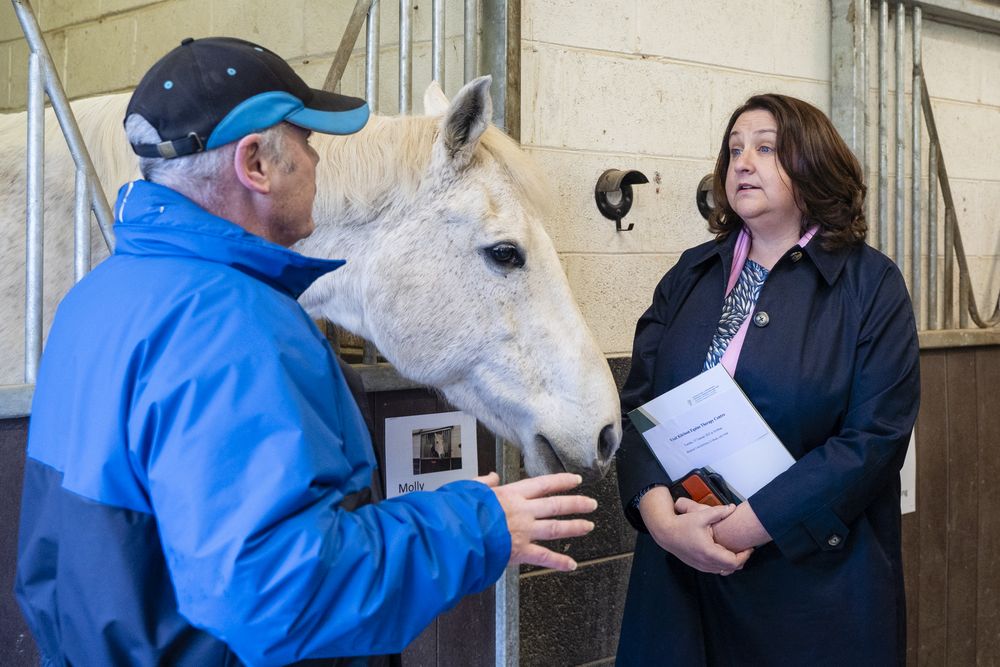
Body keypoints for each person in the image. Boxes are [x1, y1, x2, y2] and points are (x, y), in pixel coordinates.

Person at [15, 36, 597, 667]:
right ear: (255, 165)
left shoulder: (93, 301)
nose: (321, 161)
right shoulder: (236, 328)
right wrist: (479, 528)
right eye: (306, 141)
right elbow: (279, 595)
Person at [615, 93, 919, 665]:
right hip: (681, 572)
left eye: (765, 149)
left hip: (810, 585)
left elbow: (872, 442)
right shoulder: (690, 272)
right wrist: (659, 519)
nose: (742, 163)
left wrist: (747, 527)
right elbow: (641, 410)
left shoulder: (871, 285)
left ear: (814, 164)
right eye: (734, 151)